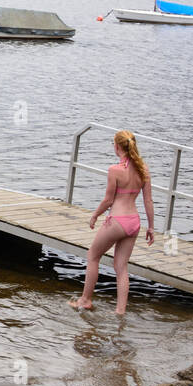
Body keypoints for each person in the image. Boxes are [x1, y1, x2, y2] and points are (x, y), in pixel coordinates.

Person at [69, 130, 155, 315]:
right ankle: (120, 310)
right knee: (121, 267)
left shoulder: (115, 170)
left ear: (117, 147)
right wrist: (151, 227)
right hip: (134, 222)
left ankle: (85, 300)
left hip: (117, 221)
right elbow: (148, 200)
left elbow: (108, 200)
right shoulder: (143, 169)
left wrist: (95, 215)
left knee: (93, 255)